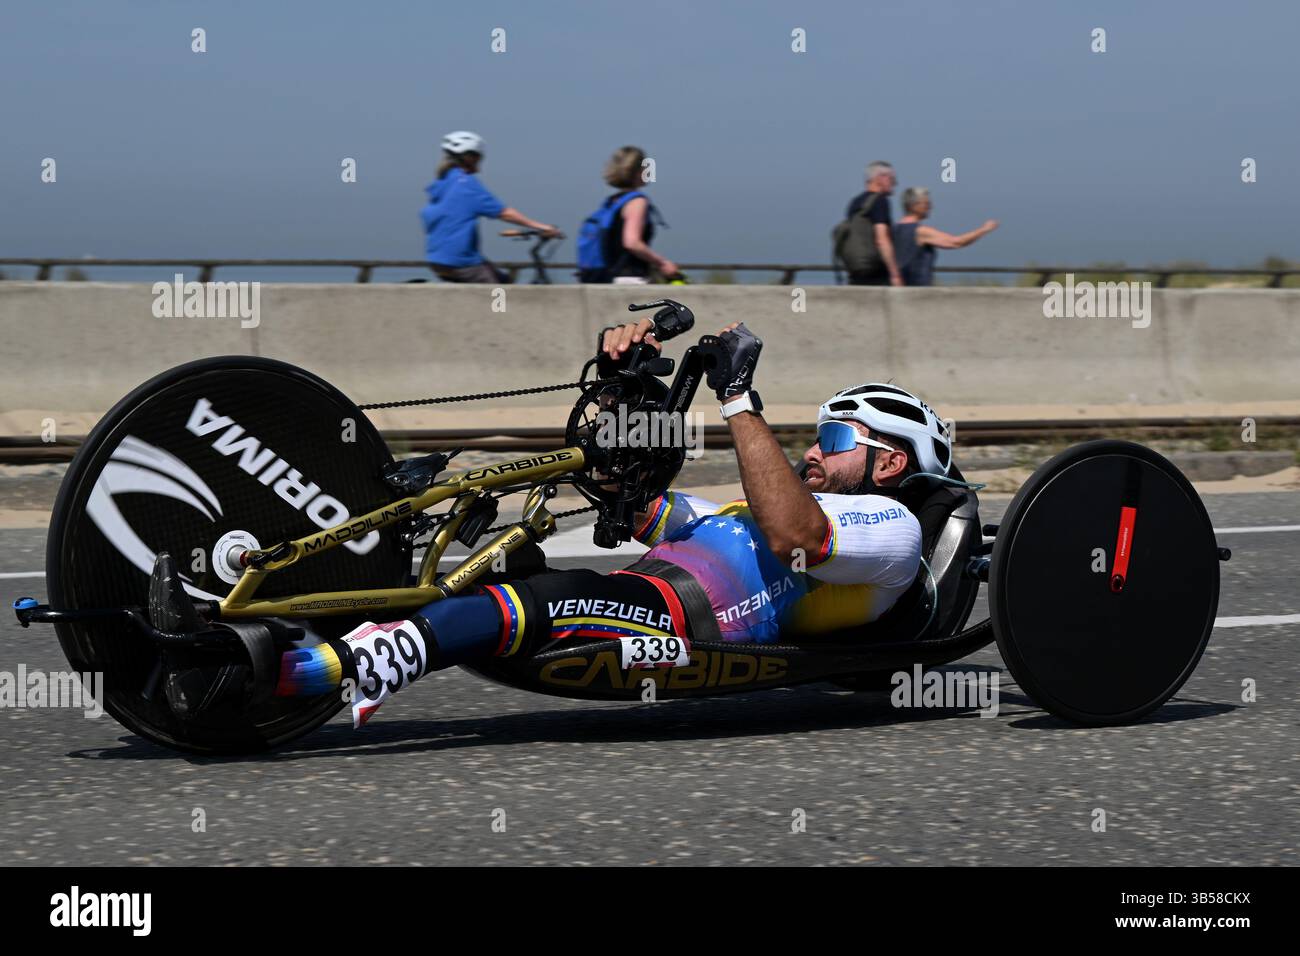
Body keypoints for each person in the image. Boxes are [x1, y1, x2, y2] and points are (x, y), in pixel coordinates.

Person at [160, 319, 954, 726]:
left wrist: (738, 401)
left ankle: (272, 678)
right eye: (815, 434)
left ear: (889, 463)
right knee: (479, 564)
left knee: (537, 601)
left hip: (676, 628)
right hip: (639, 597)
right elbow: (633, 503)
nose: (816, 450)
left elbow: (799, 540)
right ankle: (258, 611)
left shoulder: (892, 536)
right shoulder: (742, 517)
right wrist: (620, 384)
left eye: (839, 438)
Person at [421, 131, 561, 283]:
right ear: (470, 157)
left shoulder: (442, 182)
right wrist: (542, 227)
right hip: (460, 261)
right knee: (500, 290)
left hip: (436, 259)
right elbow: (504, 212)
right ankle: (500, 308)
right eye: (478, 158)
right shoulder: (465, 183)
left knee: (501, 280)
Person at [576, 146, 680, 284]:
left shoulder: (612, 202)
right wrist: (662, 263)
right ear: (636, 172)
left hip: (607, 277)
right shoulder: (637, 202)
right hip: (630, 278)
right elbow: (632, 242)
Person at [893, 187, 999, 286]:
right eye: (927, 204)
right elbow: (956, 242)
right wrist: (984, 229)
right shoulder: (920, 231)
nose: (930, 207)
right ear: (914, 205)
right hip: (916, 291)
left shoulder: (893, 229)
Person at [841, 161, 904, 286]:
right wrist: (895, 274)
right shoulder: (880, 201)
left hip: (855, 269)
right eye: (892, 178)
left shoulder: (855, 203)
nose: (895, 183)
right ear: (880, 178)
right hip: (876, 270)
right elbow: (882, 239)